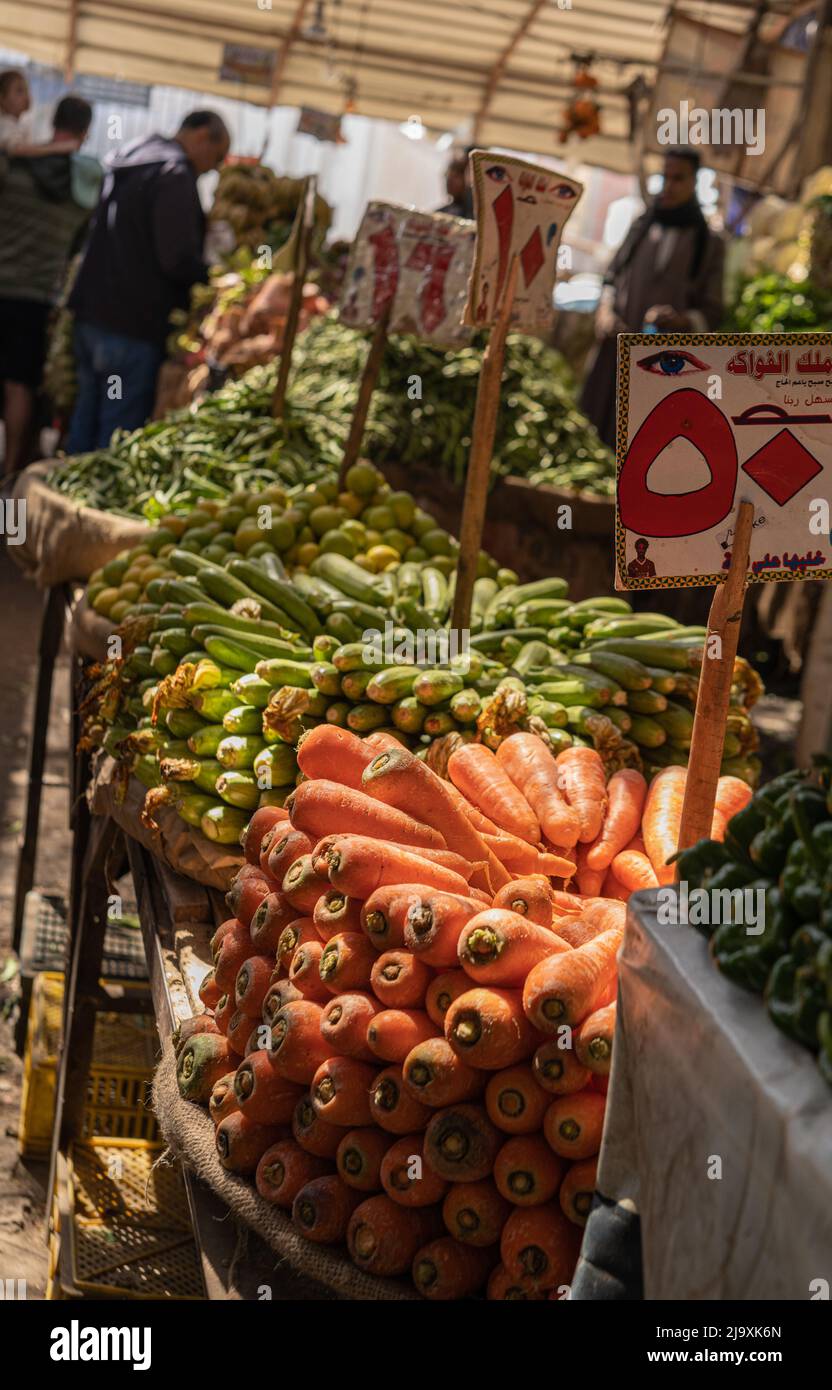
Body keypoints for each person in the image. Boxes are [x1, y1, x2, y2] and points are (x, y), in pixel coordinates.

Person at [66, 110, 231, 453]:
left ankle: (60, 501)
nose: (212, 169)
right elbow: (175, 258)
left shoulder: (130, 157)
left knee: (86, 417)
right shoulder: (174, 174)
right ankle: (86, 502)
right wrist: (212, 274)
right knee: (113, 437)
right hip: (131, 327)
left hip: (92, 317)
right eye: (216, 158)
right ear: (202, 136)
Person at [580, 147, 725, 448]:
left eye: (678, 179)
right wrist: (605, 312)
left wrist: (682, 319)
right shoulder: (641, 226)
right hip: (615, 351)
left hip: (664, 364)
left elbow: (712, 310)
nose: (669, 187)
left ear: (694, 182)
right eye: (665, 178)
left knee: (644, 442)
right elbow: (611, 277)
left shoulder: (708, 242)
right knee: (593, 433)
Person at [0, 94, 100, 475]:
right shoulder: (84, 189)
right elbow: (78, 249)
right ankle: (10, 473)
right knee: (19, 385)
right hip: (34, 297)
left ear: (52, 120)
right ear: (86, 131)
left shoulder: (15, 167)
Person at [0, 69, 83, 157]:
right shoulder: (4, 125)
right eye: (19, 91)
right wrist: (58, 148)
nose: (26, 95)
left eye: (27, 90)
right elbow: (18, 149)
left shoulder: (17, 124)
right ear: (2, 98)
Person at [439, 154, 473, 220]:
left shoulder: (473, 212)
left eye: (455, 177)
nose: (448, 183)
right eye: (447, 178)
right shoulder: (443, 212)